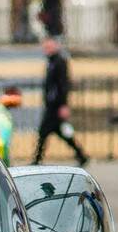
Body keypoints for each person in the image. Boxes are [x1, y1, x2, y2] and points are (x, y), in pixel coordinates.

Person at [32, 36, 87, 166]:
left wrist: (63, 105)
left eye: (49, 46)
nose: (46, 49)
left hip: (56, 105)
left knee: (44, 132)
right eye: (45, 47)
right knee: (60, 133)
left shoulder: (60, 61)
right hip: (52, 104)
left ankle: (37, 160)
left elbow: (63, 84)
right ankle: (81, 155)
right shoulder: (51, 61)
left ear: (56, 46)